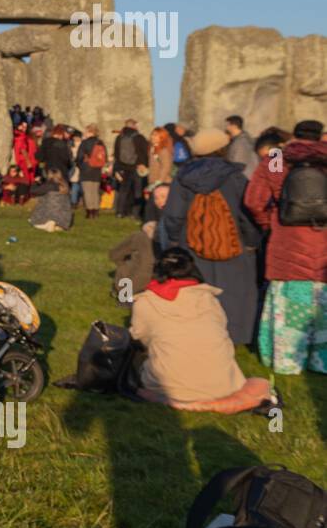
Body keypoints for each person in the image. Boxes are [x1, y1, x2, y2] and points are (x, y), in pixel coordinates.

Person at [129, 248, 271, 411]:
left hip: (167, 387)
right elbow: (221, 328)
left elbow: (141, 337)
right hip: (224, 386)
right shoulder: (210, 299)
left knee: (136, 357)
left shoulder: (145, 301)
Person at [158, 128, 260, 345]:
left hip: (191, 241)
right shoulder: (235, 177)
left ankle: (196, 330)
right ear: (222, 148)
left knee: (196, 290)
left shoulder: (183, 177)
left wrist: (175, 241)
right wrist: (251, 242)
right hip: (233, 242)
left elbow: (173, 215)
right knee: (234, 293)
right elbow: (247, 213)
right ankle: (234, 334)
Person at [243, 120, 327, 375]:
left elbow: (254, 200)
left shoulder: (279, 158)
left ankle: (287, 359)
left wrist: (270, 222)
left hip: (287, 240)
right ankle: (320, 359)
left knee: (288, 302)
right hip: (323, 239)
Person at [109, 220, 158, 306]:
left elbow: (115, 254)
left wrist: (121, 263)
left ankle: (124, 297)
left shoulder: (139, 236)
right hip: (159, 286)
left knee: (125, 267)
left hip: (136, 284)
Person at [111, 119, 150, 220]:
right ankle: (136, 213)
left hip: (124, 167)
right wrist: (144, 164)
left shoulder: (119, 137)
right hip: (138, 167)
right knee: (138, 190)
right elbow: (145, 152)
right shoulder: (139, 137)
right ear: (134, 126)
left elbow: (116, 153)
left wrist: (118, 168)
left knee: (124, 191)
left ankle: (120, 212)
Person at [75, 124, 107, 219]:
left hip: (86, 169)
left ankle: (90, 212)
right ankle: (96, 211)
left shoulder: (85, 143)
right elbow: (105, 156)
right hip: (97, 169)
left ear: (90, 132)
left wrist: (79, 165)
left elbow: (79, 156)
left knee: (88, 191)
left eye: (86, 131)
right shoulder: (101, 143)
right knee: (95, 191)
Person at [224, 115, 258, 179]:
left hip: (243, 179)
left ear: (234, 126)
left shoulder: (241, 143)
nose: (226, 127)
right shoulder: (240, 140)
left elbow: (239, 164)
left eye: (228, 125)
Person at [12, 122, 38, 187]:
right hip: (24, 161)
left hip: (30, 160)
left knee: (29, 179)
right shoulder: (20, 137)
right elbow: (23, 150)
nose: (24, 128)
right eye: (22, 126)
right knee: (27, 179)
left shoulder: (25, 136)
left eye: (25, 127)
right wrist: (28, 162)